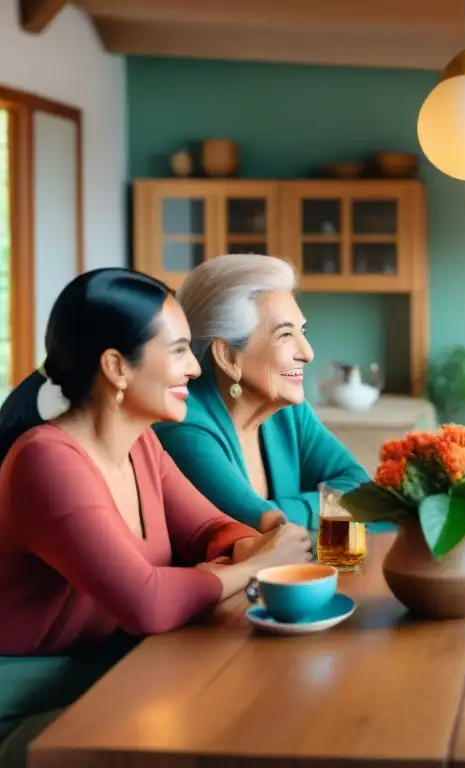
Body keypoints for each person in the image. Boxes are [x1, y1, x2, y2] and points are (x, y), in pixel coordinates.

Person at [0, 268, 313, 768]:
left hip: (119, 674)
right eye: (178, 351)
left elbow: (209, 528)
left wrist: (241, 549)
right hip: (31, 704)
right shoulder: (46, 462)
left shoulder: (141, 441)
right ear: (116, 368)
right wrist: (249, 568)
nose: (193, 368)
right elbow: (146, 604)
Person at [153, 255, 369, 533]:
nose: (308, 353)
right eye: (285, 335)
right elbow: (257, 524)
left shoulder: (287, 410)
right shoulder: (184, 426)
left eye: (302, 331)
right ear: (229, 356)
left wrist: (285, 510)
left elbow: (360, 488)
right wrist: (326, 508)